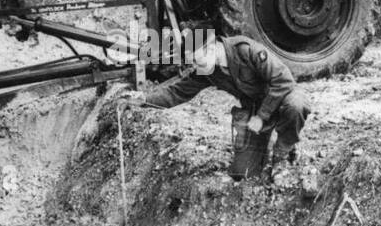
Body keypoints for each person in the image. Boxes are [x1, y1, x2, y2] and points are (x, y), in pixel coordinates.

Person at [124, 34, 309, 167]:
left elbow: (283, 81)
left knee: (296, 106)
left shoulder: (246, 50)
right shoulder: (208, 68)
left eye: (197, 61)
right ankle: (264, 147)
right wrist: (143, 100)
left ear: (211, 48)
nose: (197, 67)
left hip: (282, 96)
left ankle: (283, 154)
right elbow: (177, 92)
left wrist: (262, 116)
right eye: (193, 63)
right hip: (255, 111)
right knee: (243, 171)